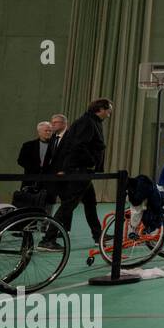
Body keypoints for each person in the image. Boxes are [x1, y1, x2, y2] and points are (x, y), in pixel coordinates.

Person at [45, 99, 113, 246]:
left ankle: (98, 235)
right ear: (100, 109)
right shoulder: (87, 122)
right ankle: (48, 239)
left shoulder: (92, 121)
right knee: (68, 205)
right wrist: (91, 161)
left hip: (84, 170)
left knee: (90, 203)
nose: (109, 113)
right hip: (79, 170)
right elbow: (78, 145)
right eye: (108, 110)